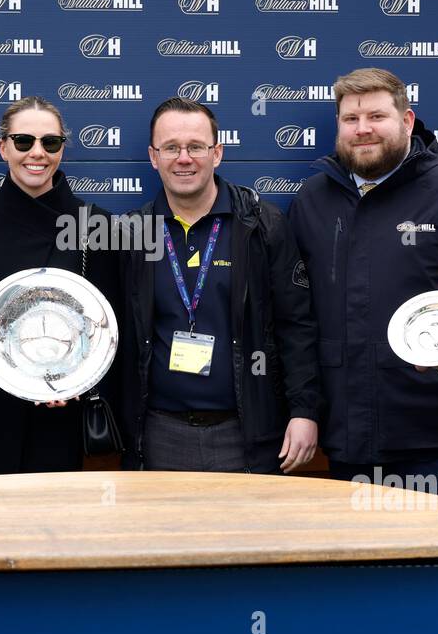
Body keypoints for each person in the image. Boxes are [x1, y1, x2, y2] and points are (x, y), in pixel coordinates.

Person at [118, 97, 319, 474]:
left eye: (196, 146)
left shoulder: (263, 226)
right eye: (171, 147)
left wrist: (305, 410)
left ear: (217, 153)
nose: (184, 158)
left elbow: (298, 326)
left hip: (247, 433)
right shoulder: (132, 234)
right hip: (158, 435)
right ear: (152, 156)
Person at [289, 68, 438, 496]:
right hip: (345, 438)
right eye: (350, 119)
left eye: (376, 117)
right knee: (363, 562)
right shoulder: (312, 200)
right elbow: (296, 319)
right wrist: (307, 408)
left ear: (407, 121)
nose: (362, 129)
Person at [0, 96, 120, 478]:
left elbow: (110, 330)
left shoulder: (94, 223)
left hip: (56, 414)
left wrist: (80, 383)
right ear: (3, 148)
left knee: (50, 531)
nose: (37, 153)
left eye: (50, 142)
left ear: (62, 149)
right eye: (23, 141)